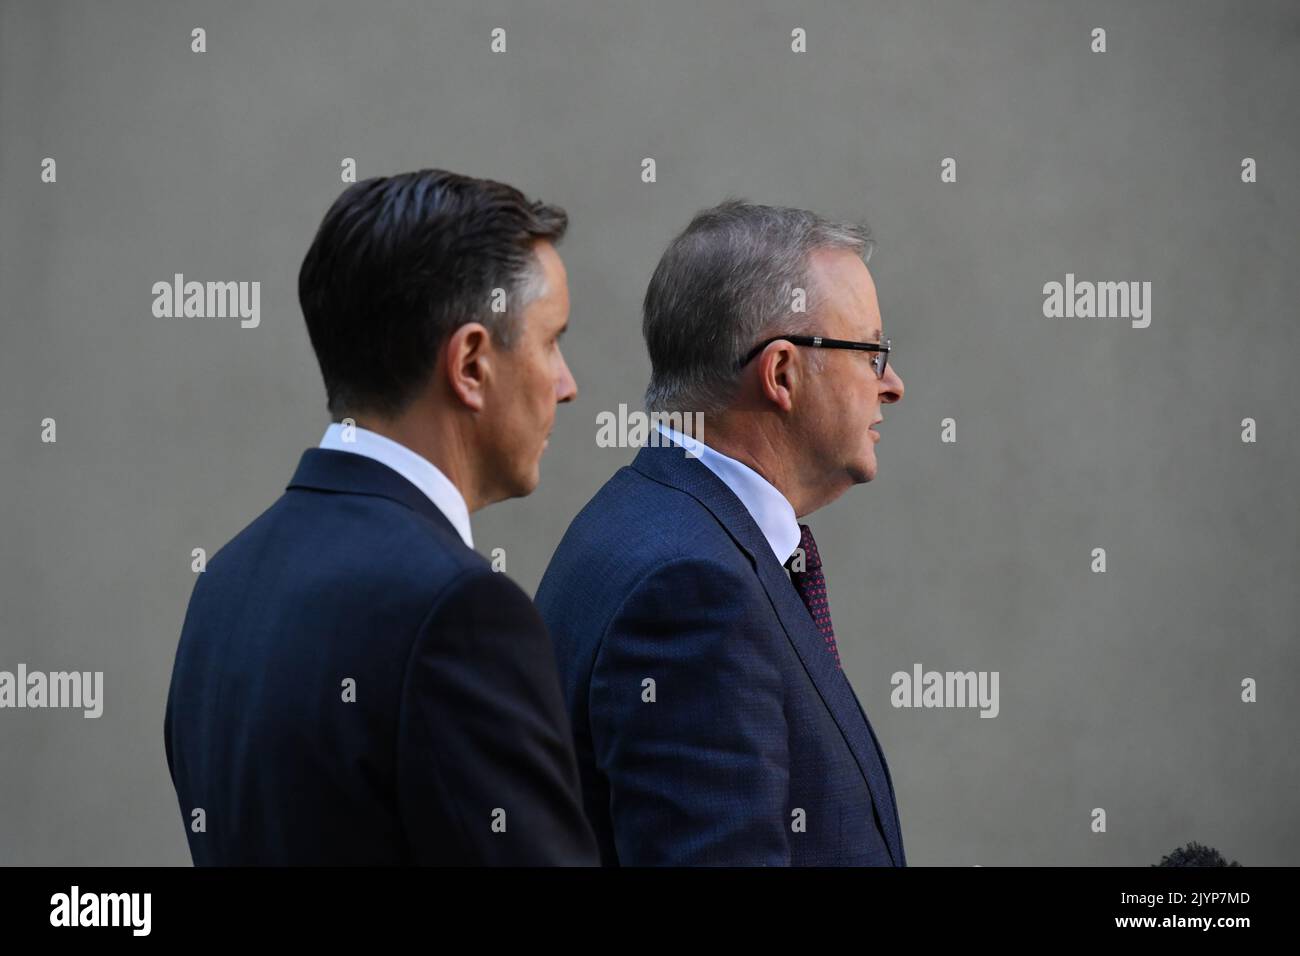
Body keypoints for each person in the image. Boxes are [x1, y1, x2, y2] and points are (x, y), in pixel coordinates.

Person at [165, 169, 597, 865]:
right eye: (552, 342)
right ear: (472, 364)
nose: (568, 385)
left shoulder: (225, 582)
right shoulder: (461, 613)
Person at [537, 200, 907, 865]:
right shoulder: (691, 590)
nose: (894, 386)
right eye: (874, 353)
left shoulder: (640, 521)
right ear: (783, 374)